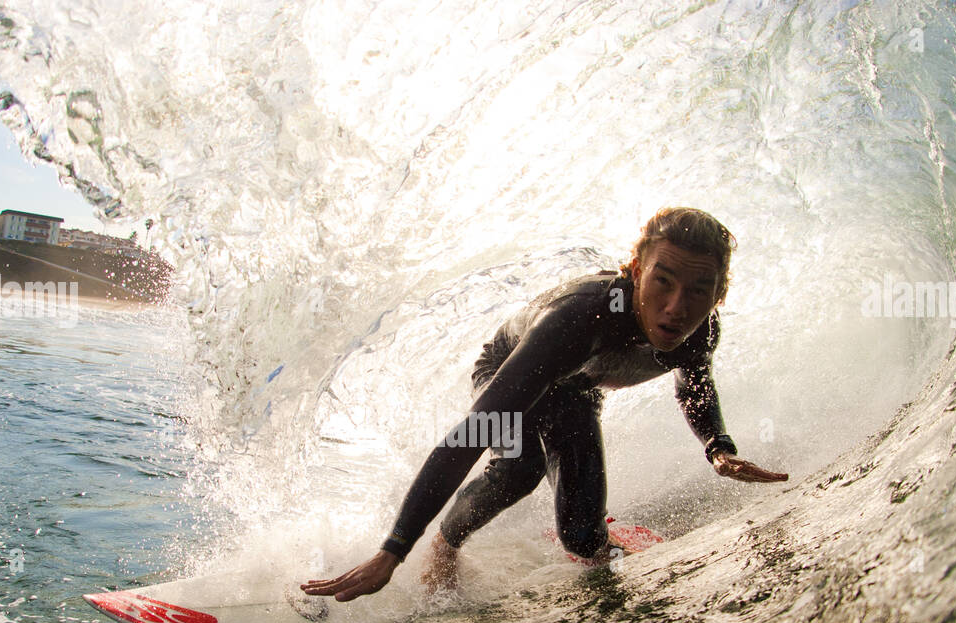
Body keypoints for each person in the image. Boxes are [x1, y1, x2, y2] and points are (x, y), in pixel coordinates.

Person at [300, 207, 788, 603]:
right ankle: (443, 548)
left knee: (582, 539)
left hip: (576, 391)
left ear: (719, 294)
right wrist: (392, 550)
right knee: (519, 468)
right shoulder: (580, 319)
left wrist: (717, 447)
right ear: (637, 271)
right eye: (663, 281)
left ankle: (599, 538)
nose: (676, 307)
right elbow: (473, 432)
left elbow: (693, 386)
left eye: (700, 290)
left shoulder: (698, 331)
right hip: (510, 365)